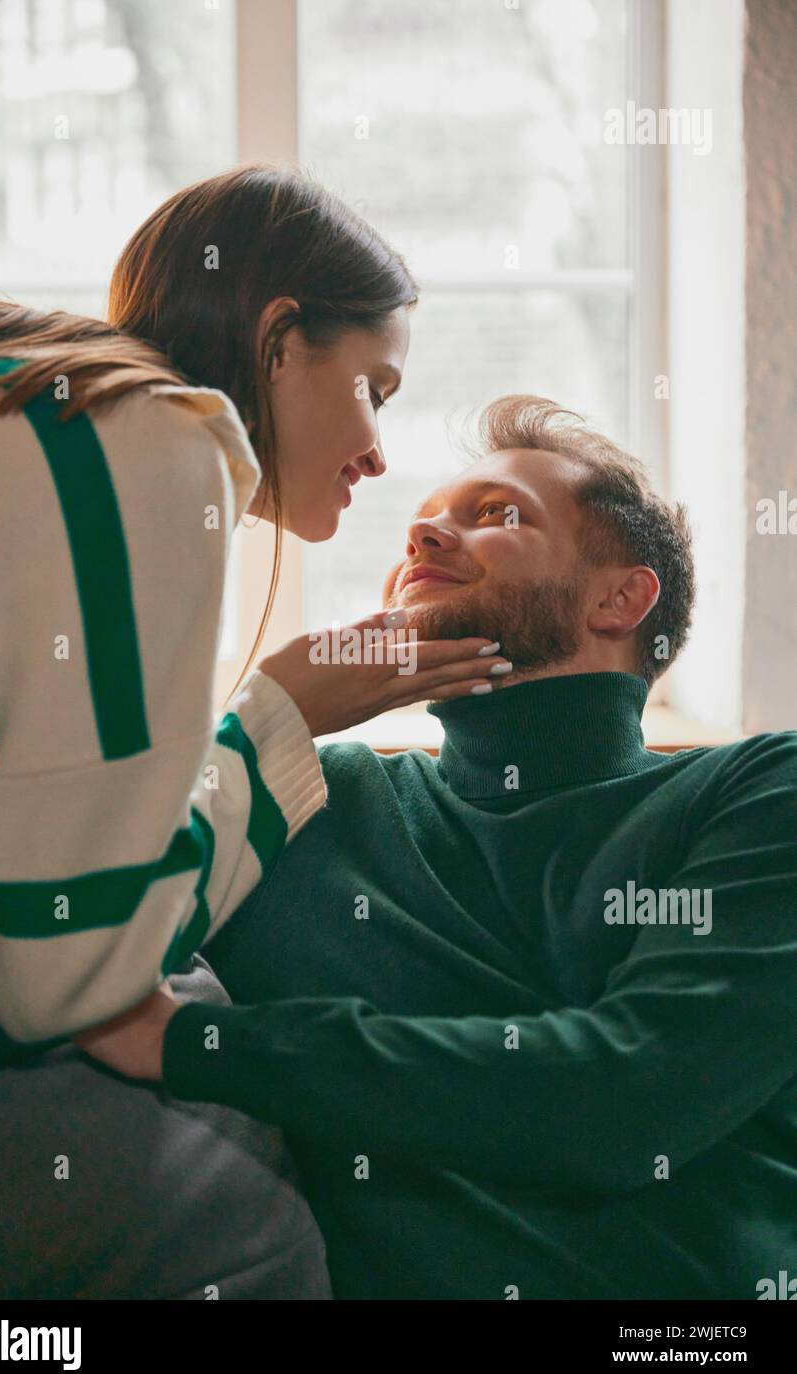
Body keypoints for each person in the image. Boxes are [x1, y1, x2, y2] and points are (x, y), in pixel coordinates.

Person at [70, 395, 797, 1300]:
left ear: (621, 596)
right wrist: (270, 712)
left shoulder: (758, 792)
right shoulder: (313, 798)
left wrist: (197, 1043)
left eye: (497, 515)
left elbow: (626, 1103)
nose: (423, 540)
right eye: (419, 528)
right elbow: (73, 923)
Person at [0, 166, 506, 1297]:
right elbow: (74, 977)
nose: (381, 450)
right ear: (280, 338)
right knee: (239, 1217)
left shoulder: (10, 383)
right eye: (375, 387)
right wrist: (286, 711)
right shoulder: (150, 440)